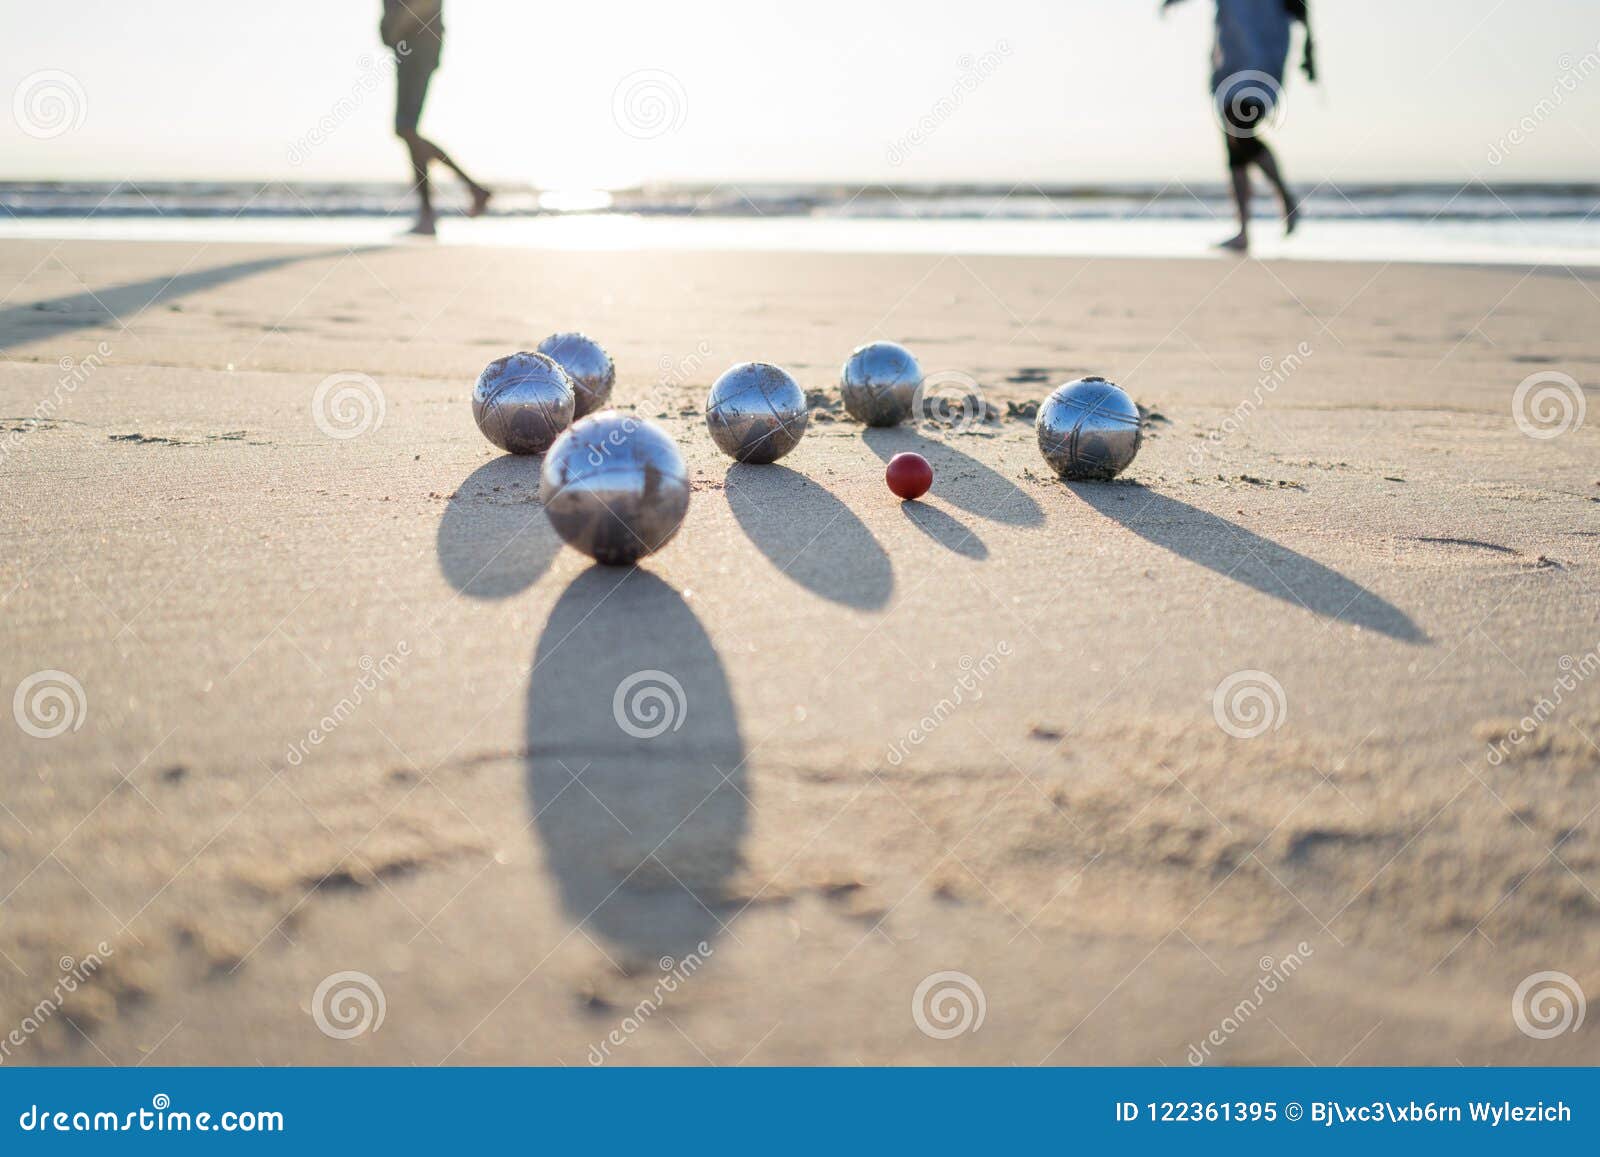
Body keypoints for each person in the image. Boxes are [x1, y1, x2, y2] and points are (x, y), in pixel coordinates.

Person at [1163, 0, 1316, 252]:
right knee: (1234, 143)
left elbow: (1300, 8)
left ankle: (1285, 199)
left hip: (1262, 54)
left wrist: (1310, 50)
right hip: (1230, 54)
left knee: (1239, 130)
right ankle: (1244, 230)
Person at [381, 0, 491, 236]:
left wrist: (396, 26)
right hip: (411, 48)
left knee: (406, 128)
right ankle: (448, 203)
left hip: (418, 47)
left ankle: (435, 211)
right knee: (407, 130)